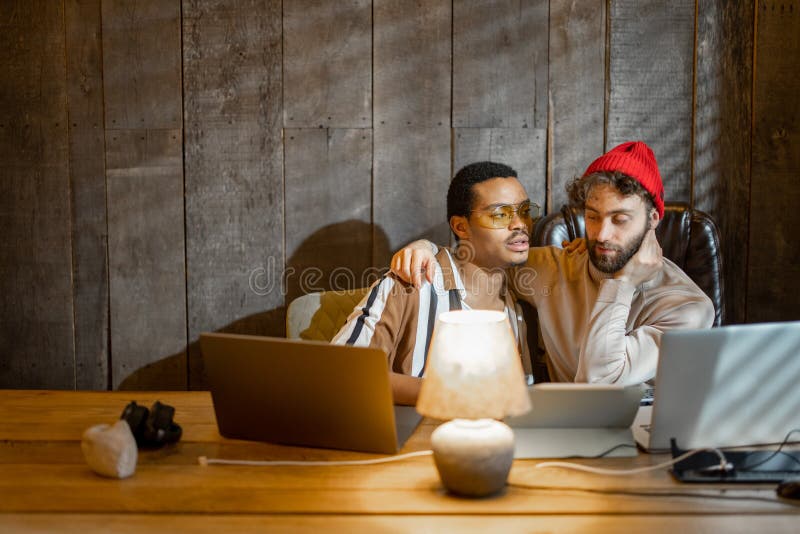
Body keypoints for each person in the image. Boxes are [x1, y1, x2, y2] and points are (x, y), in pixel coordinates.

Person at [392, 141, 715, 385]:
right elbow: (478, 257)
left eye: (620, 219)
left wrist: (621, 284)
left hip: (644, 444)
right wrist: (426, 247)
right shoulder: (555, 266)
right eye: (592, 217)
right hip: (559, 433)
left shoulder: (687, 308)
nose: (601, 234)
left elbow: (599, 382)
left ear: (653, 218)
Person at [332, 161, 536, 405]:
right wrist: (451, 393)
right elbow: (344, 371)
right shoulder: (412, 283)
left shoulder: (518, 307)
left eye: (524, 211)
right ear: (461, 227)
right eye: (500, 215)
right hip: (413, 438)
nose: (519, 224)